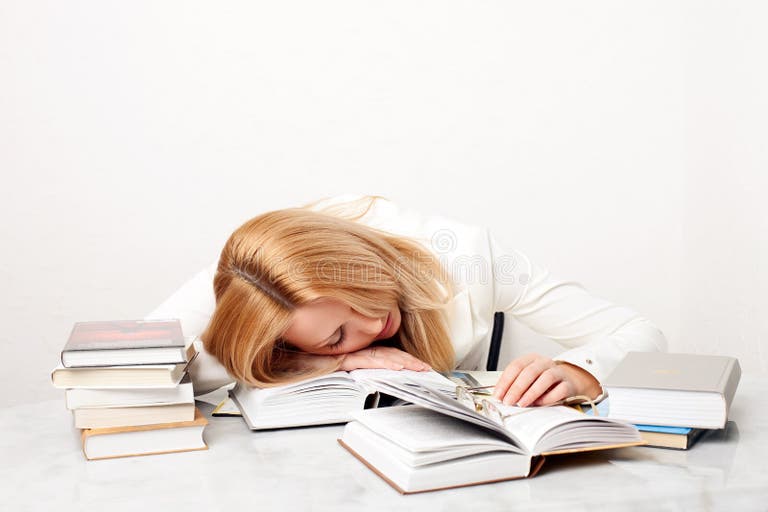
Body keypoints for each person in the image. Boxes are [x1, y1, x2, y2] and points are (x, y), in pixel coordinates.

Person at [147, 194, 667, 407]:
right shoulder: (251, 279)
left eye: (362, 291)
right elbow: (136, 373)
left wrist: (581, 371)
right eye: (336, 335)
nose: (375, 320)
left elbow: (642, 331)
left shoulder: (470, 257)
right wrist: (325, 362)